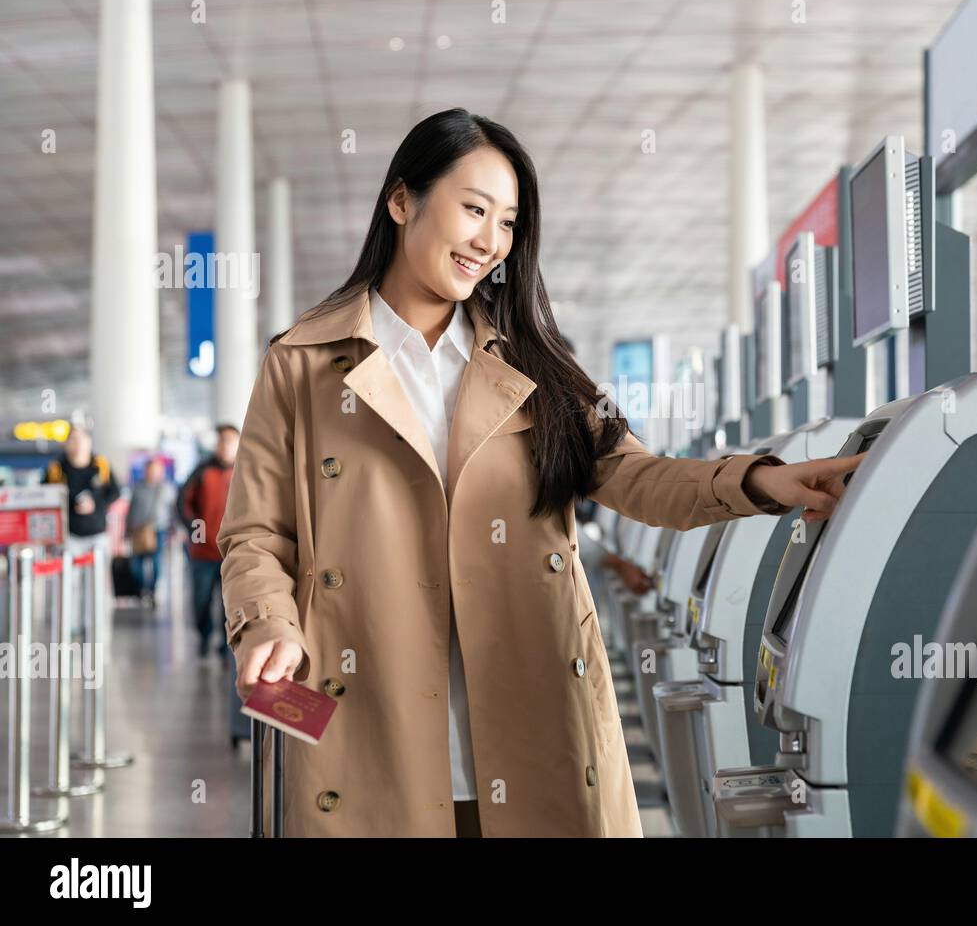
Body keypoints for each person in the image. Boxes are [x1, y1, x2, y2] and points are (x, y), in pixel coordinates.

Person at [218, 107, 863, 839]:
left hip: (529, 729)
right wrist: (269, 622)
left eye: (508, 221)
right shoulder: (302, 365)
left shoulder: (534, 366)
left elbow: (638, 477)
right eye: (473, 209)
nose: (490, 241)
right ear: (402, 202)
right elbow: (255, 536)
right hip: (366, 728)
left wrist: (760, 482)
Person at [177, 425, 239, 659]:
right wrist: (196, 533)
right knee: (201, 599)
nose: (226, 446)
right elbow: (183, 502)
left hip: (232, 554)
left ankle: (225, 644)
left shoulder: (245, 472)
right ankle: (204, 636)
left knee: (229, 602)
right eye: (223, 441)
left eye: (231, 441)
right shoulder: (202, 471)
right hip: (203, 553)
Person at [43, 424, 120, 558]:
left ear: (89, 442)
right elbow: (45, 497)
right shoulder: (56, 469)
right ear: (66, 444)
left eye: (82, 439)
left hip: (97, 534)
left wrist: (96, 504)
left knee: (98, 576)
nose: (78, 444)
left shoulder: (101, 464)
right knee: (71, 576)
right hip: (70, 536)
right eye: (73, 439)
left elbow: (114, 492)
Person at [125, 457, 173, 607]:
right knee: (135, 564)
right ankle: (142, 589)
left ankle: (152, 591)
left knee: (157, 562)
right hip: (138, 530)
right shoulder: (138, 487)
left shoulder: (166, 489)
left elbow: (172, 510)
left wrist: (174, 529)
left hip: (158, 530)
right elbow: (131, 509)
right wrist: (127, 529)